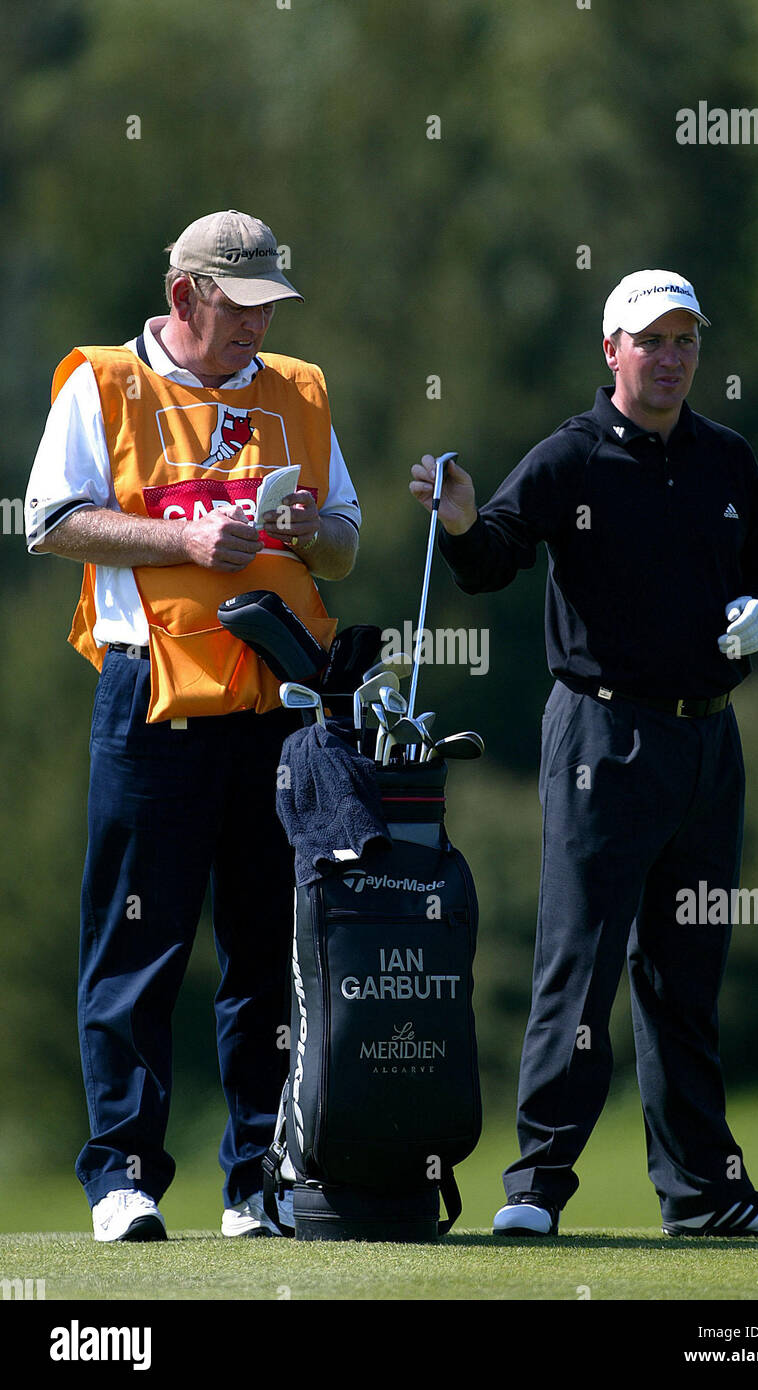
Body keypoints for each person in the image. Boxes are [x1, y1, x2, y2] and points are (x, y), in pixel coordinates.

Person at [410, 269, 758, 1238]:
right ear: (612, 351)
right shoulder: (572, 457)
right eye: (652, 340)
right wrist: (463, 523)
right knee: (578, 964)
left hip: (706, 740)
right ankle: (534, 1191)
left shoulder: (725, 458)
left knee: (685, 974)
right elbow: (495, 554)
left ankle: (705, 1196)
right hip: (601, 735)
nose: (671, 357)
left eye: (684, 341)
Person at [26, 209, 360, 1241]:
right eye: (241, 306)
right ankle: (123, 1174)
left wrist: (311, 531)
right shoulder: (104, 382)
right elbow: (52, 520)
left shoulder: (296, 390)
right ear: (184, 297)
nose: (258, 327)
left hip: (275, 707)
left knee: (266, 949)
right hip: (152, 699)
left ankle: (254, 1181)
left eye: (269, 307)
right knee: (138, 943)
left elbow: (345, 542)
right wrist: (182, 534)